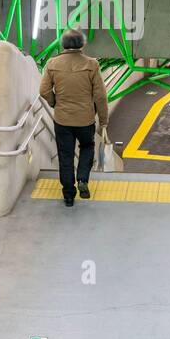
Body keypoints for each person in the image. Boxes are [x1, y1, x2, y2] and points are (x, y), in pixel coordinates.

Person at [39, 29, 110, 207]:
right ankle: (83, 180)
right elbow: (100, 96)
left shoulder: (52, 63)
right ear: (82, 44)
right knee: (87, 147)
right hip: (85, 119)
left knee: (65, 155)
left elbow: (43, 91)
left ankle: (68, 195)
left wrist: (55, 103)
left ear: (63, 44)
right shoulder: (91, 64)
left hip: (62, 120)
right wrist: (103, 121)